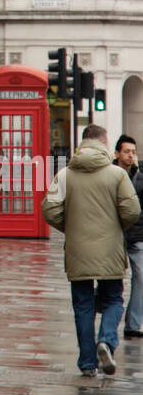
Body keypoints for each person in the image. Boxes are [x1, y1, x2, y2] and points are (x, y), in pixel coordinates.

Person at [42, 123, 140, 377]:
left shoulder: (65, 174)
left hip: (77, 250)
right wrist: (117, 228)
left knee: (83, 306)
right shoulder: (117, 174)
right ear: (104, 143)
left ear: (82, 142)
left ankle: (87, 363)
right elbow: (132, 211)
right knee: (113, 299)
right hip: (110, 250)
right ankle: (106, 341)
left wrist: (71, 227)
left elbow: (49, 209)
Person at [113, 134, 143, 339]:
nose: (131, 155)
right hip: (114, 236)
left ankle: (133, 324)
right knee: (112, 282)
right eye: (126, 151)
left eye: (133, 152)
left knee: (141, 278)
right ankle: (109, 316)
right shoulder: (110, 175)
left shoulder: (140, 178)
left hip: (137, 237)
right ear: (117, 153)